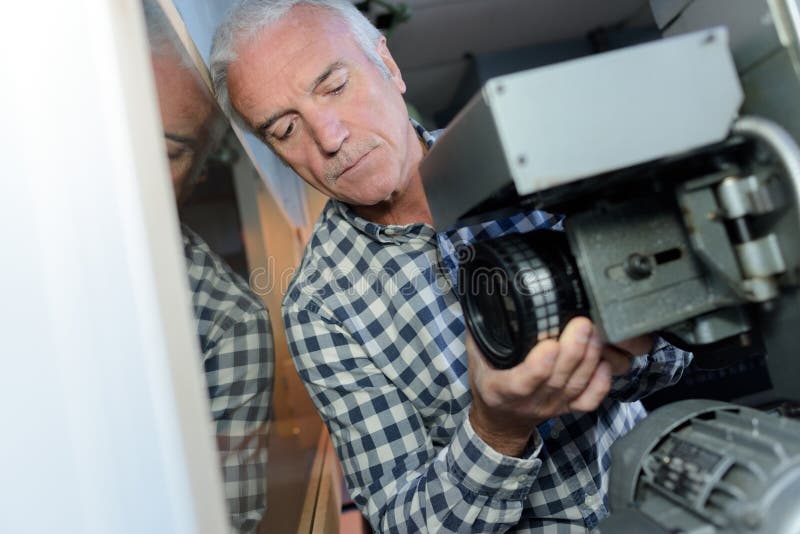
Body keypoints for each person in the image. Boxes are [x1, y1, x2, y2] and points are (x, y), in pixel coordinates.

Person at [209, 1, 692, 531]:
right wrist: (497, 430)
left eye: (334, 86)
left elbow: (678, 345)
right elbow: (402, 521)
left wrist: (627, 350)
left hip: (665, 499)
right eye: (284, 130)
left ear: (387, 66)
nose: (329, 137)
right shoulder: (318, 307)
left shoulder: (531, 161)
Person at [144, 3, 274, 532]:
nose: (128, 165)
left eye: (165, 151)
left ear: (195, 176)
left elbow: (228, 520)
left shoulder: (228, 324)